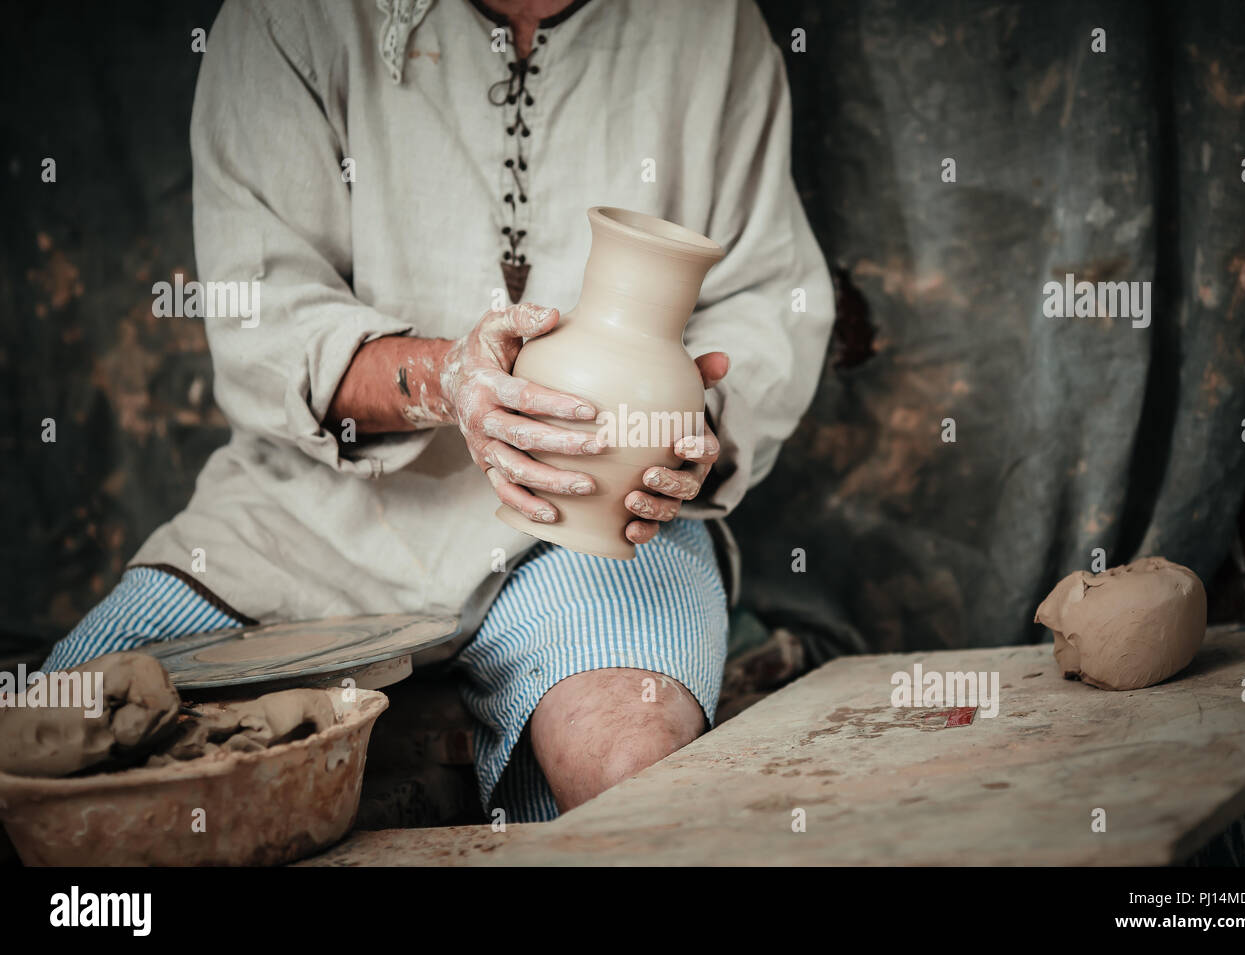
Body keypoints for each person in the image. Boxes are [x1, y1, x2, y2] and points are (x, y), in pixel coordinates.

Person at [43, 0, 834, 821]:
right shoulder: (286, 15)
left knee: (630, 770)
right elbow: (265, 316)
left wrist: (689, 420)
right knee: (54, 743)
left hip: (597, 529)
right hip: (305, 519)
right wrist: (446, 378)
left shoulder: (709, 24)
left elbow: (767, 299)